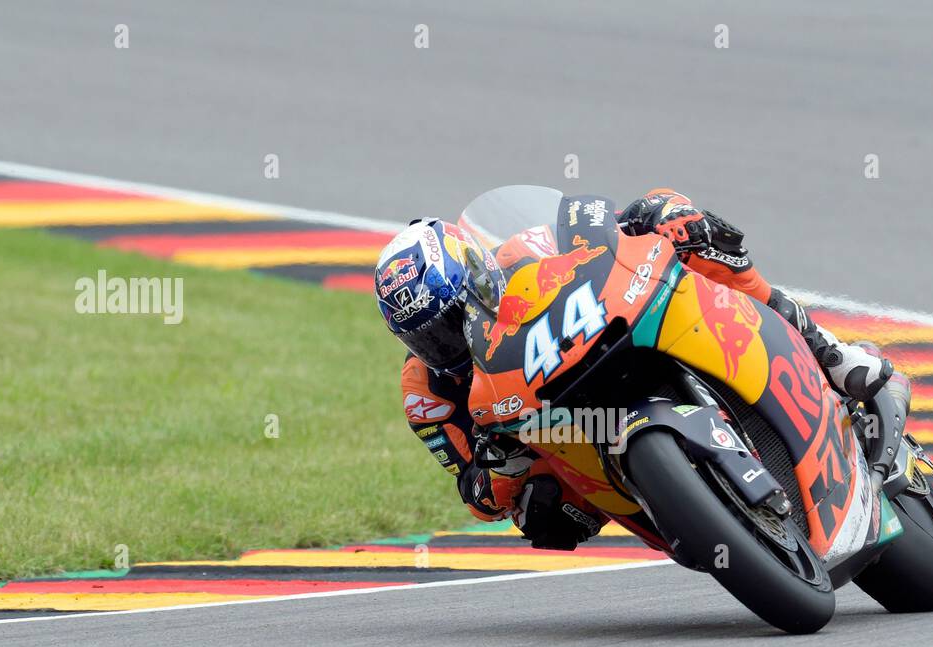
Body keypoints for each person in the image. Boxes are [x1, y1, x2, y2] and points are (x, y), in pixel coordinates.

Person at [376, 188, 900, 550]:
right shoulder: (427, 394)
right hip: (558, 433)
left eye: (448, 318)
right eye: (425, 335)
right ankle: (685, 507)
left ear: (475, 274)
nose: (442, 340)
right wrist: (499, 472)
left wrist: (656, 221)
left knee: (673, 216)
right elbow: (474, 494)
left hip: (605, 335)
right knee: (543, 513)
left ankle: (828, 351)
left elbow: (597, 238)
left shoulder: (521, 252)